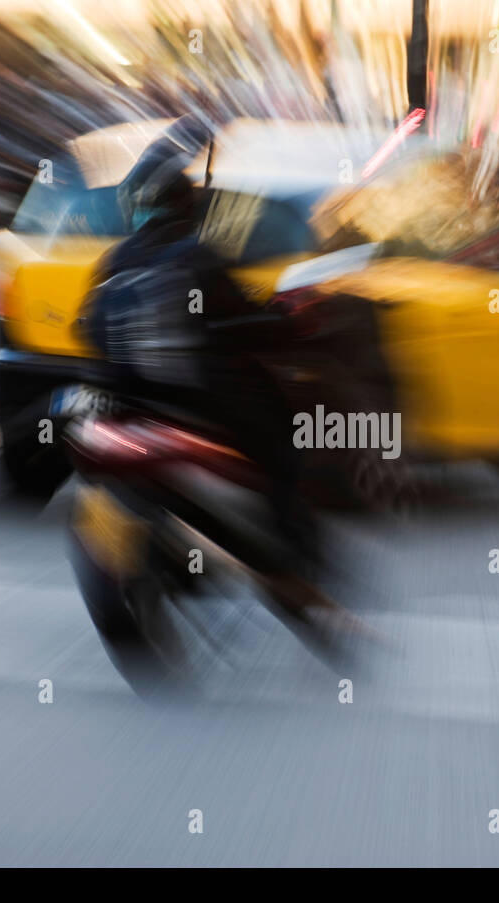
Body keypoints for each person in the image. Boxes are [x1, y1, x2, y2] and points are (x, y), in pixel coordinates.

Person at [83, 131, 317, 573]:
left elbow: (89, 327)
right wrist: (287, 320)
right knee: (285, 444)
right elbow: (248, 325)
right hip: (200, 401)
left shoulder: (115, 260)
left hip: (128, 402)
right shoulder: (197, 257)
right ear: (187, 206)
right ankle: (294, 561)